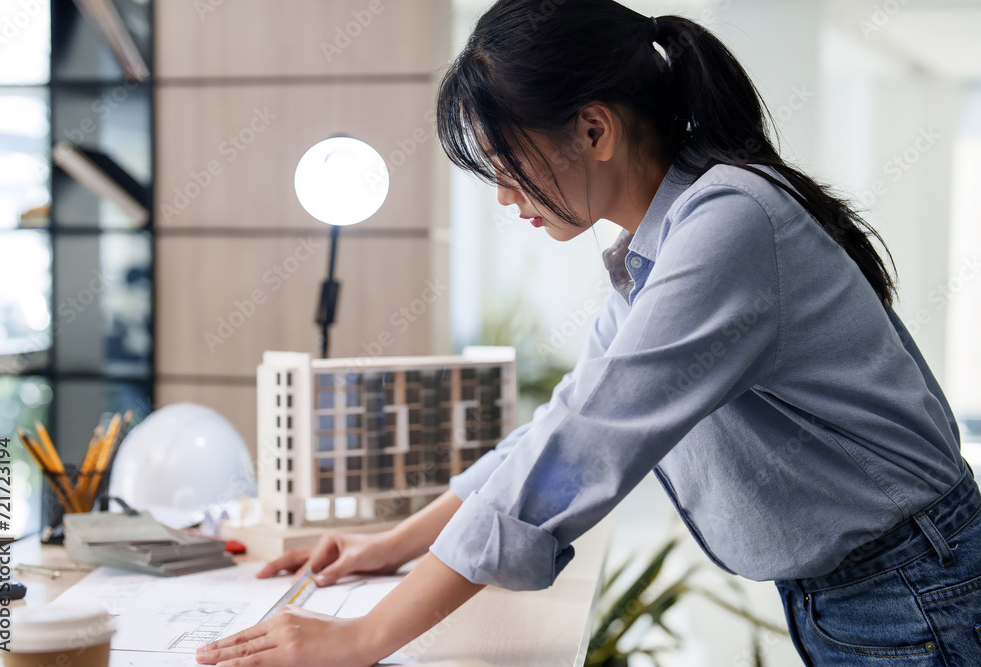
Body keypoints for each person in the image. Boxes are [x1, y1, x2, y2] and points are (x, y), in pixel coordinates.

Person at [196, 1, 981, 665]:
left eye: (507, 163)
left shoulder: (727, 224)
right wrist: (391, 545)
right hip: (873, 584)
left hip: (909, 584)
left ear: (594, 129)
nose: (505, 196)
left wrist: (363, 637)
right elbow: (560, 422)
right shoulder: (662, 239)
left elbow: (582, 448)